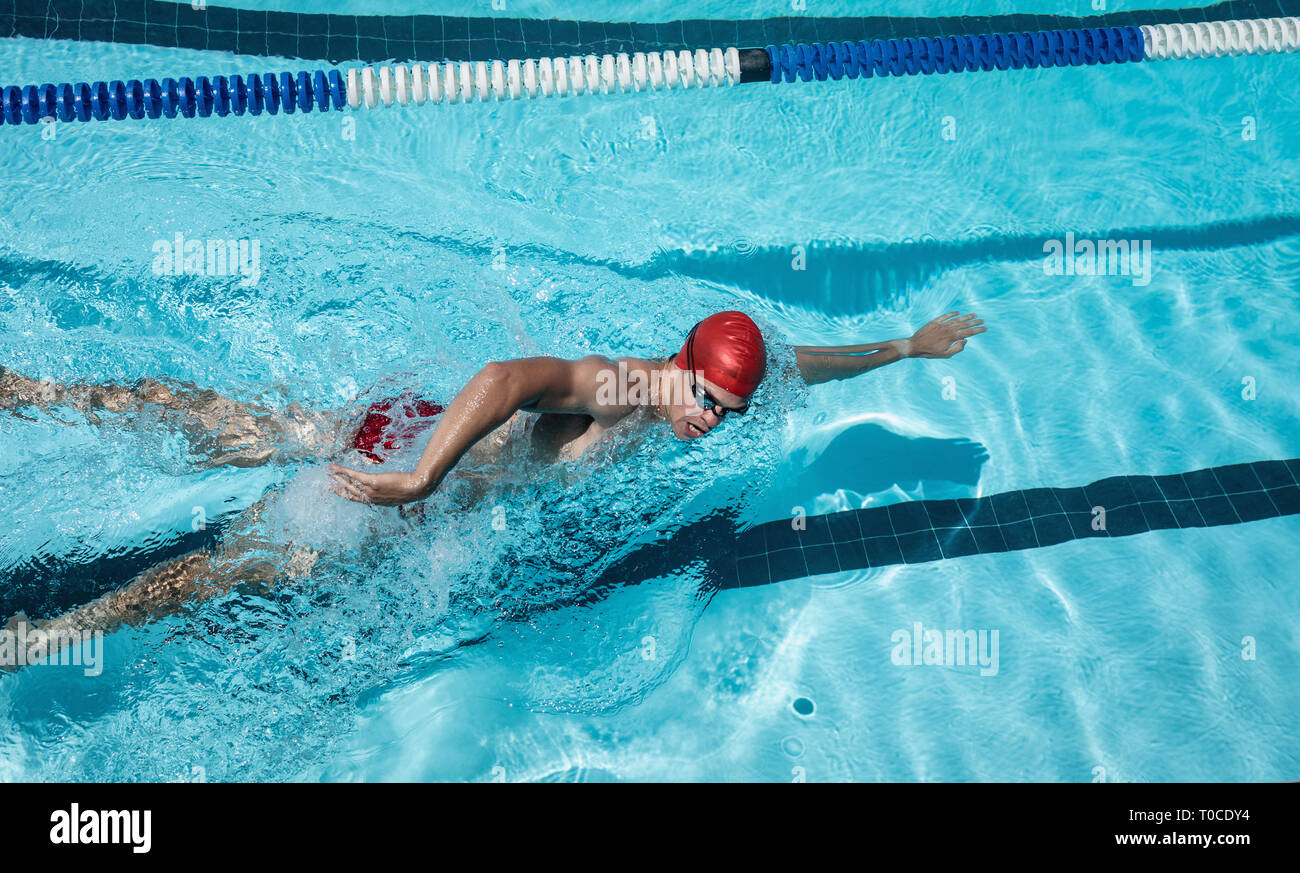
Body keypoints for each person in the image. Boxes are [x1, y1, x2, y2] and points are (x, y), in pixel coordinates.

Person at [0, 310, 985, 663]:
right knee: (235, 571)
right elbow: (515, 382)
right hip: (414, 473)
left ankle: (36, 393)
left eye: (726, 414)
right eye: (706, 401)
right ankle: (43, 638)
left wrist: (904, 347)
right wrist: (415, 480)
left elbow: (792, 362)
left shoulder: (703, 380)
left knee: (238, 426)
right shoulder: (630, 388)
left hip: (408, 423)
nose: (709, 423)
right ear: (679, 366)